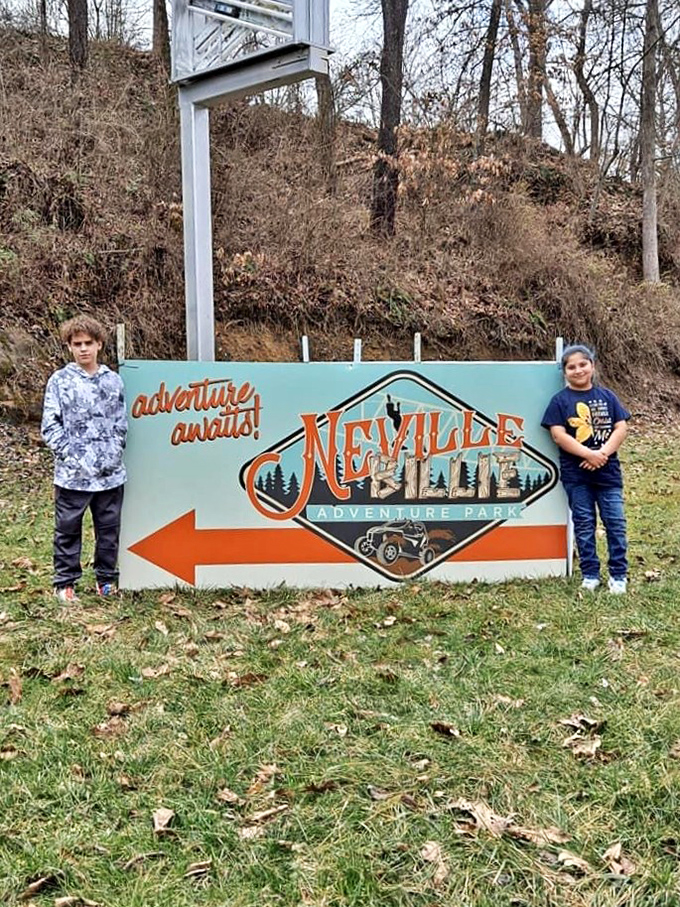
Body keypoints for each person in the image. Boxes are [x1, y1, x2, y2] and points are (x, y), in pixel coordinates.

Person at [41, 315, 127, 602]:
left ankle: (106, 581)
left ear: (99, 344)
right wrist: (70, 455)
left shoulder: (113, 381)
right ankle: (65, 583)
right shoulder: (60, 381)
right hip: (72, 476)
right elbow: (50, 425)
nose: (83, 349)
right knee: (67, 530)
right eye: (76, 344)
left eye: (88, 343)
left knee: (109, 531)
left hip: (109, 475)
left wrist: (114, 452)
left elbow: (120, 423)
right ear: (69, 347)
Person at [541, 344, 630, 594]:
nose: (578, 370)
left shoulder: (608, 396)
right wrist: (588, 454)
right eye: (571, 367)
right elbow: (558, 435)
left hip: (608, 474)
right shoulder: (559, 401)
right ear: (564, 372)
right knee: (583, 523)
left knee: (615, 523)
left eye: (583, 364)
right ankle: (590, 574)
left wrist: (602, 453)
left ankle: (618, 575)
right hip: (576, 476)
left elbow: (621, 428)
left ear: (592, 366)